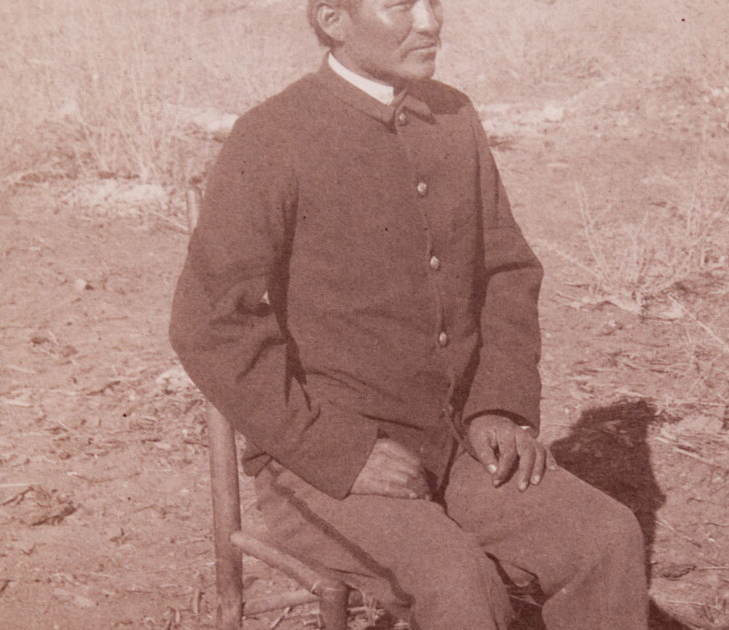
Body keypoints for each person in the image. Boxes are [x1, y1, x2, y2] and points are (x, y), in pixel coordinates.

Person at [169, 1, 648, 627]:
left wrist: (496, 406)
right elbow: (209, 325)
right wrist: (343, 451)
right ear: (333, 20)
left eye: (433, 1)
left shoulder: (452, 117)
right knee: (459, 583)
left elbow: (506, 273)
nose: (429, 21)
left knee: (604, 537)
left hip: (455, 443)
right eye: (400, 4)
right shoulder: (272, 136)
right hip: (320, 468)